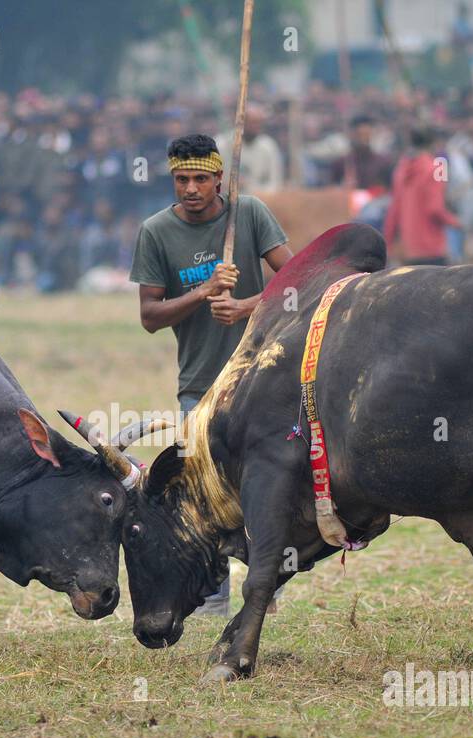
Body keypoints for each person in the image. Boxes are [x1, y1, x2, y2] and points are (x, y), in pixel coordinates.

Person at [130, 133, 292, 616]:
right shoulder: (156, 232)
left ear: (219, 178)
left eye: (200, 179)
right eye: (181, 179)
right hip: (199, 384)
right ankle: (212, 598)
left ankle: (266, 585)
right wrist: (203, 292)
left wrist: (245, 306)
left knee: (263, 484)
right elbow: (150, 316)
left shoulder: (250, 213)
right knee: (203, 492)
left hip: (261, 376)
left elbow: (297, 285)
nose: (191, 189)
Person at [384, 127, 461, 266]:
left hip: (409, 248)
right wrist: (455, 222)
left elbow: (394, 209)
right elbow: (435, 209)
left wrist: (388, 243)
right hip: (432, 247)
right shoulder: (438, 168)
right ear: (434, 143)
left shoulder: (401, 169)